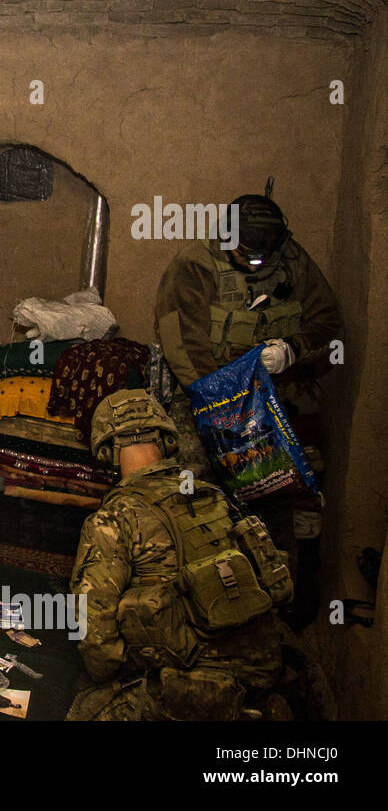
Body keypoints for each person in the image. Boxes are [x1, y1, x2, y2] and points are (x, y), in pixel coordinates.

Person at [152, 191, 342, 624]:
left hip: (279, 398)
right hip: (210, 398)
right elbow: (184, 345)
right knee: (192, 489)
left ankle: (280, 601)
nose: (254, 263)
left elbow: (331, 329)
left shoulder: (294, 263)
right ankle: (190, 596)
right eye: (245, 254)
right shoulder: (194, 266)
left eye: (262, 256)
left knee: (290, 495)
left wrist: (294, 350)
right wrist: (230, 408)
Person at [67, 390, 289, 720]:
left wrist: (109, 676)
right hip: (262, 670)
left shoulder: (113, 519)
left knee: (85, 705)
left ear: (108, 451)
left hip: (189, 686)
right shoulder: (214, 497)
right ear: (165, 440)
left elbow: (95, 635)